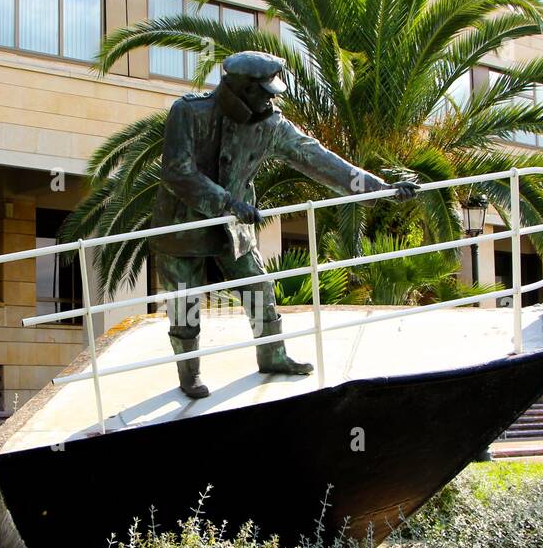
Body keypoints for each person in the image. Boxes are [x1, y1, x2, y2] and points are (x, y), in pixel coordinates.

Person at [154, 50, 418, 399]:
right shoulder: (188, 112)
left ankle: (273, 356)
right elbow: (177, 171)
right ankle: (190, 373)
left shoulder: (271, 125)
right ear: (240, 89)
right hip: (182, 225)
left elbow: (319, 159)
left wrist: (378, 189)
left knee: (259, 289)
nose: (270, 99)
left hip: (234, 226)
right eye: (263, 92)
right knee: (184, 305)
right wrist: (227, 202)